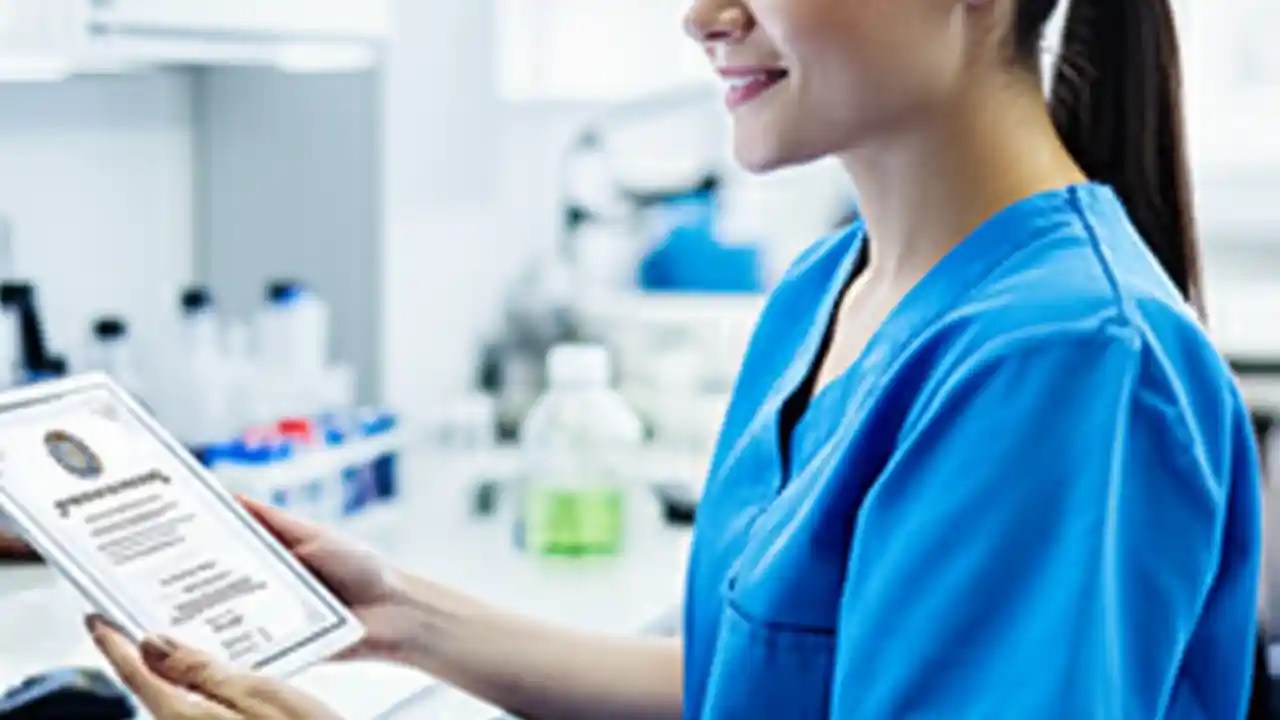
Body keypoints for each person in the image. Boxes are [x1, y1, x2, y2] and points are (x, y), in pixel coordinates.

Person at [86, 0, 1264, 717]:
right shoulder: (832, 287)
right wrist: (404, 617)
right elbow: (766, 684)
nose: (701, 11)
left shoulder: (1063, 365)